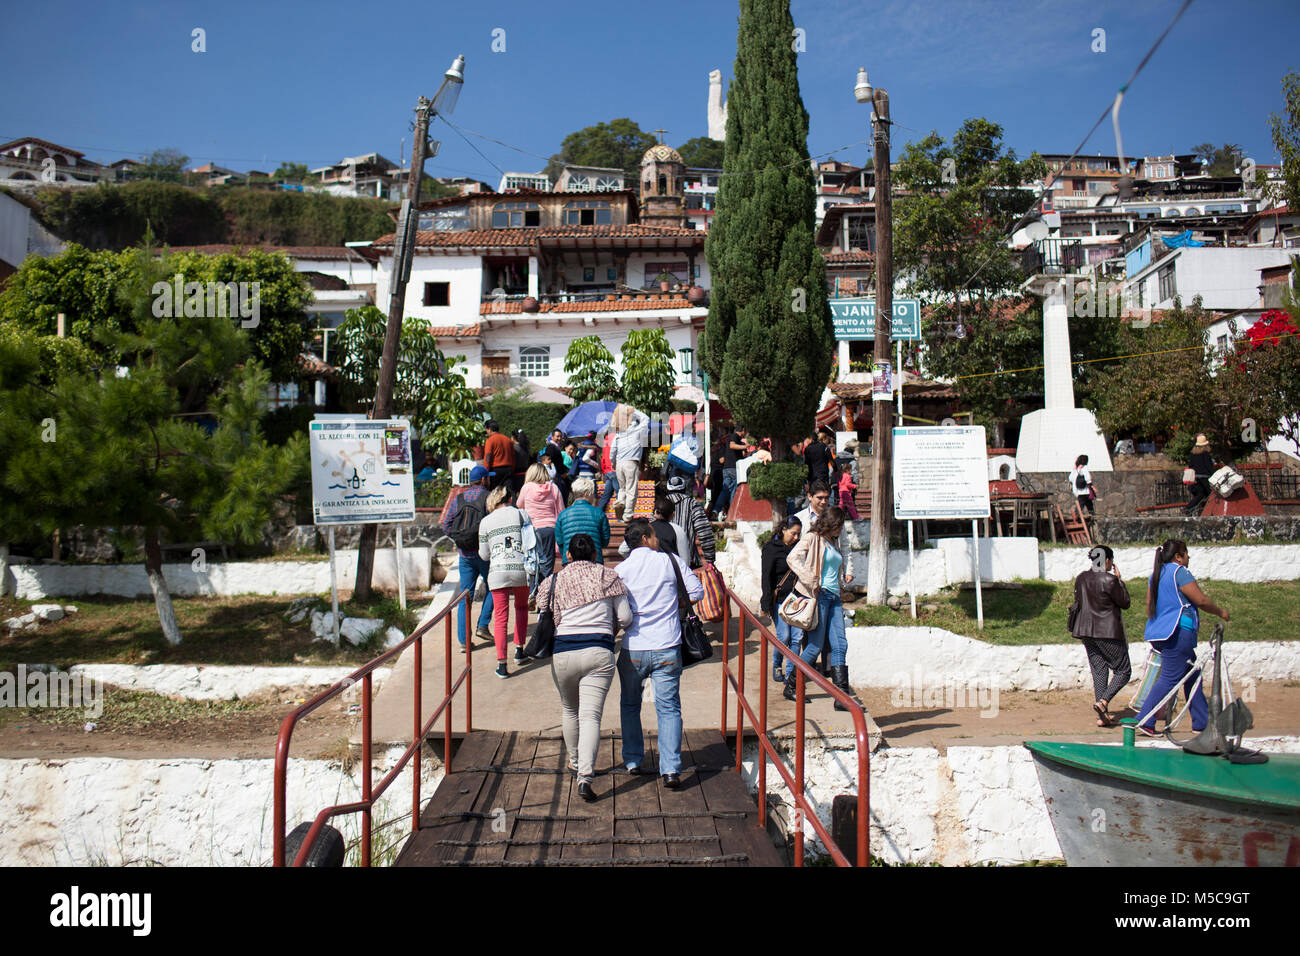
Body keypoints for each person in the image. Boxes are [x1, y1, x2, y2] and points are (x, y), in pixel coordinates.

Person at [538, 533, 631, 802]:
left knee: (570, 709)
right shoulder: (608, 576)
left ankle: (575, 761)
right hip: (599, 653)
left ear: (567, 555)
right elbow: (625, 617)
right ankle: (585, 777)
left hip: (563, 653)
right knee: (591, 716)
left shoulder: (554, 580)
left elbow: (541, 609)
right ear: (594, 554)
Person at [616, 518, 703, 788]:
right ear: (644, 538)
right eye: (653, 536)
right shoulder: (670, 561)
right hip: (667, 643)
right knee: (668, 708)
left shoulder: (621, 569)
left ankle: (633, 760)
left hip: (634, 647)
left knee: (630, 705)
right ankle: (670, 769)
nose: (657, 540)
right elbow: (696, 591)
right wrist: (672, 603)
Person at [1136, 539, 1228, 736]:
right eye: (1186, 553)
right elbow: (1201, 600)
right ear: (1178, 557)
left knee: (1192, 674)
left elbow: (1149, 603)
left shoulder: (1157, 575)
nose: (1188, 557)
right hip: (1178, 632)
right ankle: (1146, 719)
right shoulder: (1180, 572)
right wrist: (1221, 612)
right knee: (1169, 678)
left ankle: (1201, 722)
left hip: (1160, 632)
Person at [784, 506, 856, 710]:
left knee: (840, 645)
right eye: (839, 525)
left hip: (834, 597)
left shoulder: (834, 540)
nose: (841, 530)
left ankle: (841, 696)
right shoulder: (813, 537)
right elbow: (792, 558)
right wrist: (810, 579)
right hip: (820, 596)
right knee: (814, 646)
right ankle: (791, 684)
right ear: (832, 524)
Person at [1071, 544, 1132, 727]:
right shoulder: (1110, 580)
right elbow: (1125, 602)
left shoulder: (1081, 578)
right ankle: (1103, 702)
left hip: (1085, 631)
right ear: (1107, 560)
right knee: (1123, 670)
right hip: (1107, 632)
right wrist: (1120, 581)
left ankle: (1102, 716)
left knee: (1099, 670)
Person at [439, 465, 494, 650]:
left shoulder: (458, 498)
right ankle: (483, 625)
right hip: (484, 554)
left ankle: (464, 641)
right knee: (494, 586)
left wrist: (460, 540)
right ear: (484, 480)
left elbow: (446, 525)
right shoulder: (488, 498)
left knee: (465, 596)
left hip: (465, 555)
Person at [478, 485, 530, 678]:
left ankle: (502, 664)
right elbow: (530, 542)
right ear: (509, 498)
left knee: (501, 617)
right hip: (521, 569)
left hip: (497, 571)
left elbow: (483, 555)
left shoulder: (485, 522)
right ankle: (519, 650)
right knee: (522, 608)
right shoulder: (522, 515)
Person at [761, 516, 804, 683]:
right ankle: (777, 664)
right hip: (779, 599)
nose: (796, 538)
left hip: (797, 599)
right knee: (784, 636)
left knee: (797, 637)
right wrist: (766, 601)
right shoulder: (771, 548)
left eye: (798, 534)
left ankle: (791, 672)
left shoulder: (799, 549)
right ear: (783, 530)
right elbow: (766, 577)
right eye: (793, 533)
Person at [518, 462, 564, 595]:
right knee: (548, 564)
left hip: (532, 530)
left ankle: (533, 591)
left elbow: (519, 505)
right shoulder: (553, 488)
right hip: (550, 529)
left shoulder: (526, 488)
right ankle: (544, 595)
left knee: (533, 562)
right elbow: (561, 510)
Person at [664, 472, 715, 569]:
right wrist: (710, 559)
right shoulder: (692, 504)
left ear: (667, 489)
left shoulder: (658, 505)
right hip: (687, 562)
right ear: (684, 489)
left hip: (663, 562)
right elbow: (704, 533)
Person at [556, 477, 611, 566]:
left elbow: (560, 541)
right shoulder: (599, 513)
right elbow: (605, 541)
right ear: (586, 494)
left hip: (569, 560)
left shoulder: (563, 515)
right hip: (594, 559)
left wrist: (566, 554)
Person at [618, 495, 690, 563]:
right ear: (672, 515)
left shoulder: (642, 528)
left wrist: (635, 561)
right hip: (670, 572)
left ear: (655, 512)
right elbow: (685, 560)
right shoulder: (677, 530)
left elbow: (623, 550)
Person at [611, 406, 650, 520]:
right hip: (631, 463)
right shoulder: (638, 430)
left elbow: (613, 450)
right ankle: (628, 515)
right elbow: (645, 419)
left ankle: (620, 502)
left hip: (619, 464)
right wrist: (633, 411)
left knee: (622, 488)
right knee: (631, 489)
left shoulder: (619, 434)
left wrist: (613, 463)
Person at [714, 424, 748, 520]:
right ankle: (733, 513)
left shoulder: (735, 440)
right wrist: (746, 445)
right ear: (743, 430)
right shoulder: (734, 436)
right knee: (734, 491)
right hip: (733, 468)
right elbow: (732, 445)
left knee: (725, 491)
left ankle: (716, 510)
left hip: (726, 468)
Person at [1185, 434, 1215, 516]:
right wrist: (1214, 474)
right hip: (1204, 478)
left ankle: (1198, 511)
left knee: (1199, 495)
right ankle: (1188, 508)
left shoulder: (1193, 454)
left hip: (1195, 478)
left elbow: (1190, 466)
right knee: (1210, 495)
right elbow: (1208, 466)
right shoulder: (1205, 453)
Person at [483, 420, 515, 491]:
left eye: (486, 430)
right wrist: (512, 468)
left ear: (489, 429)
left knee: (495, 492)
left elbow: (487, 458)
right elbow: (513, 456)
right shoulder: (508, 440)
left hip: (495, 471)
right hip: (508, 469)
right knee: (508, 492)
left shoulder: (490, 441)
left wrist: (485, 473)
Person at [594, 431, 619, 514]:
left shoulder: (605, 441)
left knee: (606, 495)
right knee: (620, 494)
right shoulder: (617, 438)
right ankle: (620, 518)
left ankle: (599, 513)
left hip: (607, 471)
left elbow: (603, 458)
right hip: (614, 469)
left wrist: (604, 472)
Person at [509, 429, 531, 495]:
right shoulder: (525, 447)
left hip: (516, 475)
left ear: (513, 437)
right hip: (526, 474)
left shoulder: (513, 448)